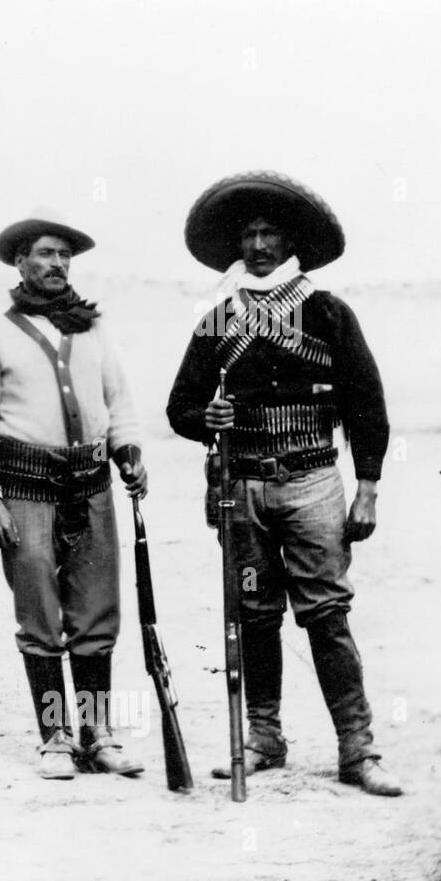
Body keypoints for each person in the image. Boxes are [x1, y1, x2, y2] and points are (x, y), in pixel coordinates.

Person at [167, 170, 401, 797]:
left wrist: (368, 487)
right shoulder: (218, 320)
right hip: (241, 489)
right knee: (255, 616)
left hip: (313, 484)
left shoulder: (327, 313)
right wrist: (204, 419)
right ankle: (263, 738)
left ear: (290, 241)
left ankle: (358, 749)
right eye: (248, 234)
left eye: (270, 232)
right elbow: (180, 408)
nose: (260, 245)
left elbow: (366, 406)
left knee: (326, 616)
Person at [0, 210, 148, 781]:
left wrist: (129, 453)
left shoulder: (92, 329)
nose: (57, 264)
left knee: (95, 612)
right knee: (39, 614)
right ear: (20, 261)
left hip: (91, 487)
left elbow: (118, 401)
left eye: (65, 255)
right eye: (45, 253)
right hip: (25, 489)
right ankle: (56, 737)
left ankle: (97, 732)